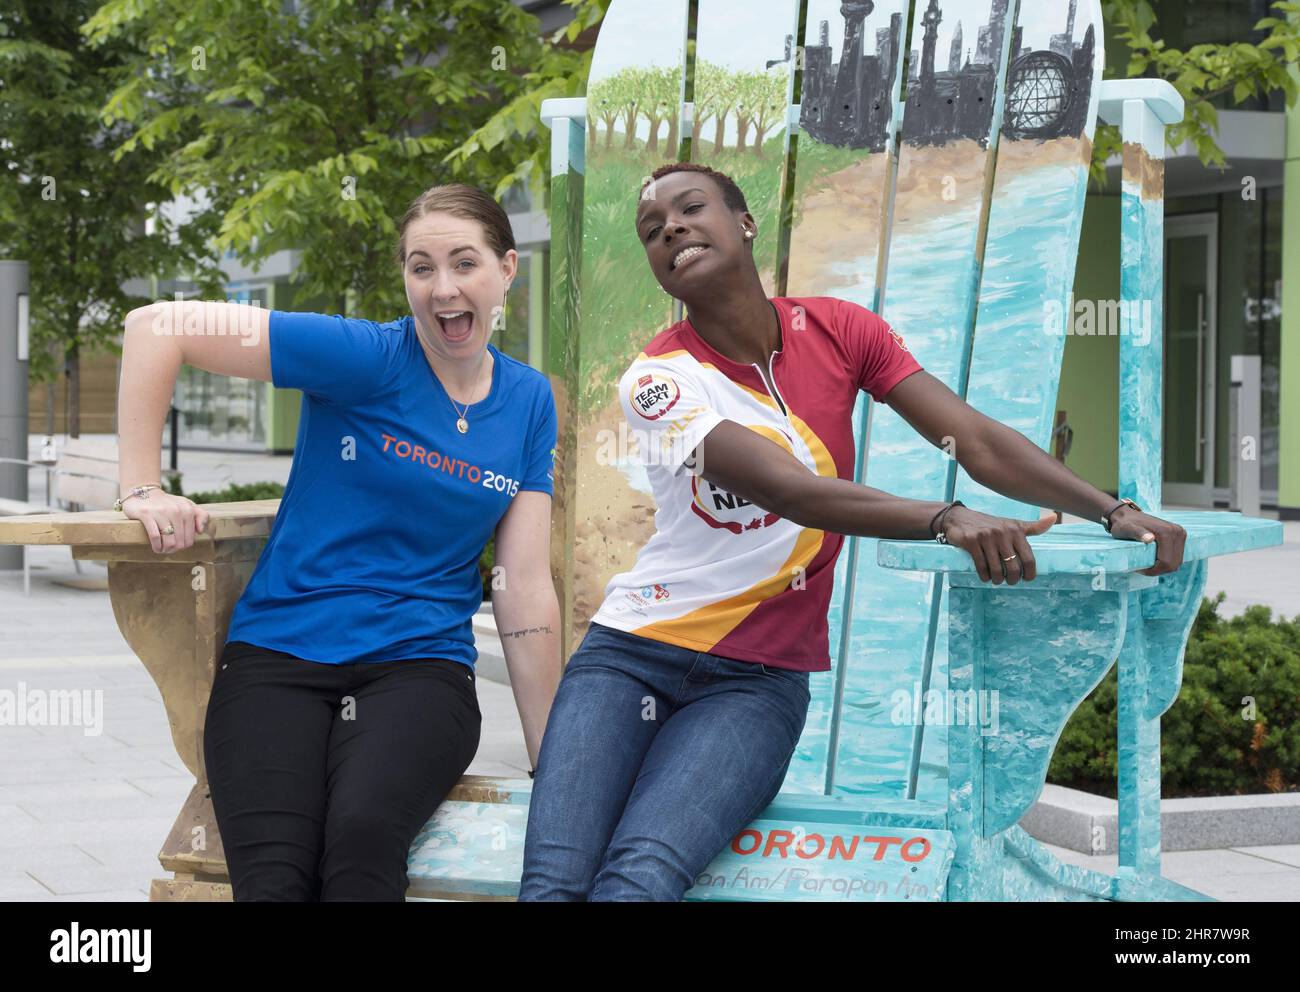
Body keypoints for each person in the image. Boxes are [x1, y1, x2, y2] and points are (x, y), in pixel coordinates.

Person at [517, 161, 1188, 902]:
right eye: (652, 231)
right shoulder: (659, 380)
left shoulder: (839, 331)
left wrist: (1112, 509)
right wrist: (945, 517)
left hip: (756, 682)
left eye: (690, 208)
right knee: (552, 884)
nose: (670, 227)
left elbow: (973, 440)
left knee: (638, 878)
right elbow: (791, 491)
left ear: (744, 223)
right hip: (629, 659)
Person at [115, 183, 562, 901]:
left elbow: (525, 586)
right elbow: (155, 325)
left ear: (507, 269)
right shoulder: (367, 357)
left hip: (419, 668)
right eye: (422, 267)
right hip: (278, 656)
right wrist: (141, 487)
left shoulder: (530, 400)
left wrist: (554, 758)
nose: (443, 288)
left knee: (360, 843)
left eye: (464, 263)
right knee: (275, 876)